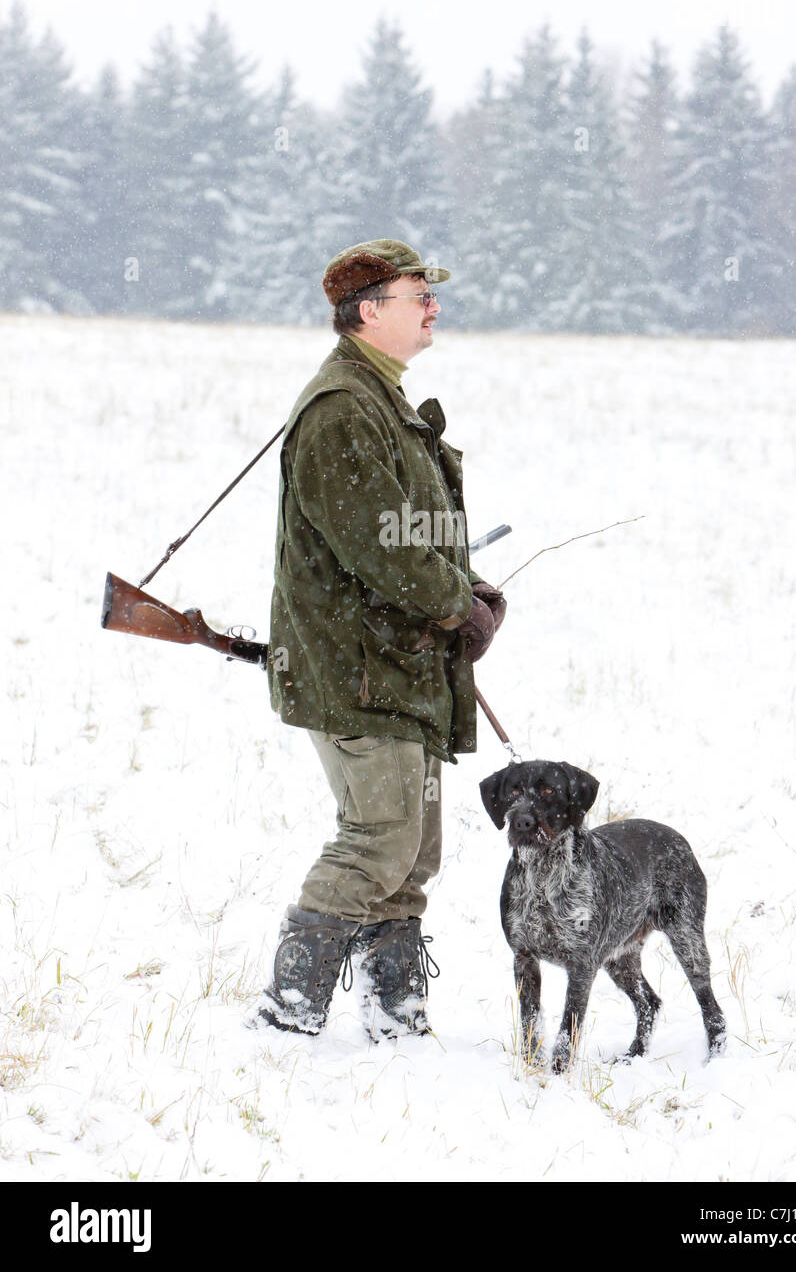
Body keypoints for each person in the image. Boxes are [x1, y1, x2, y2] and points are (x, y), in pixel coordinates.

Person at [252, 238, 506, 1041]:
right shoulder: (342, 409)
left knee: (412, 850)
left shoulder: (379, 399)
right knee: (378, 840)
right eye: (415, 295)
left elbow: (408, 530)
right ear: (369, 311)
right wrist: (452, 604)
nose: (433, 306)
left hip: (399, 665)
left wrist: (465, 590)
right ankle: (287, 1013)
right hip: (359, 670)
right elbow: (379, 544)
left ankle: (395, 1018)